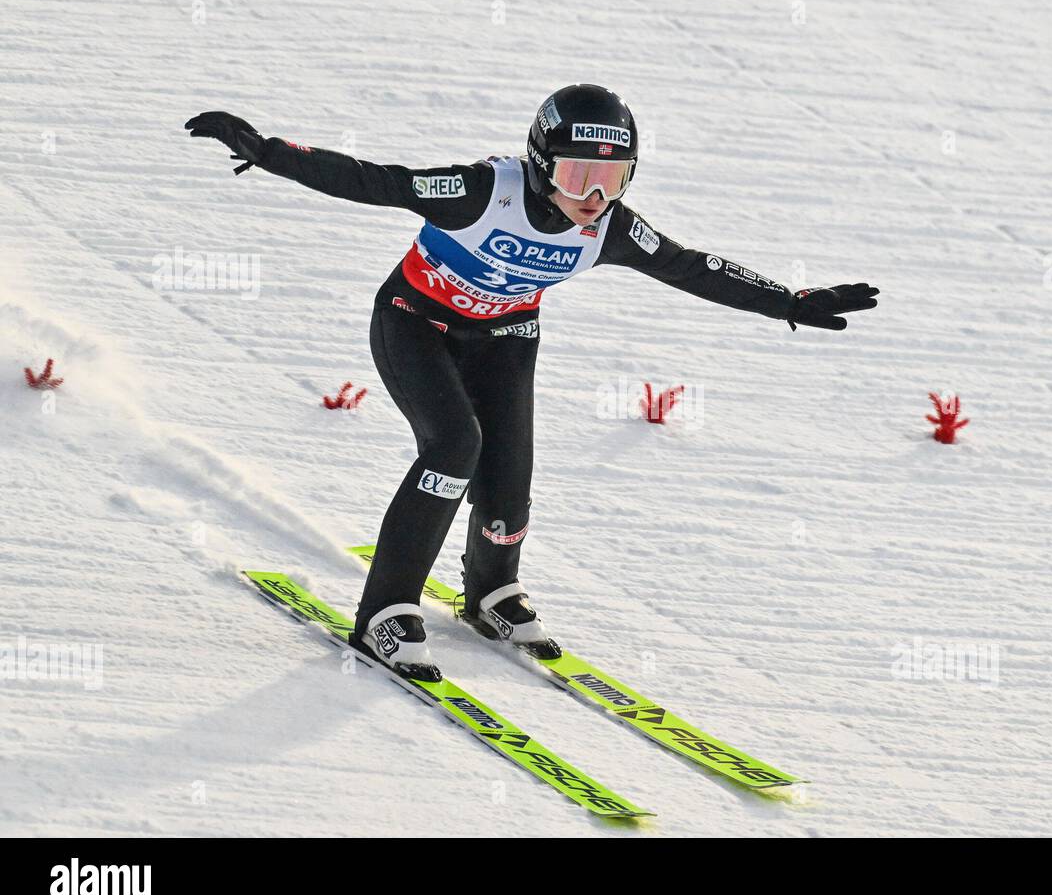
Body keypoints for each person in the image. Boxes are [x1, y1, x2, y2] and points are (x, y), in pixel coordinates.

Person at [185, 84, 879, 678]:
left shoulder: (609, 229)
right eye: (578, 177)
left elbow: (689, 265)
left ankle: (493, 591)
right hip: (414, 325)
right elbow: (380, 181)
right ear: (542, 165)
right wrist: (269, 151)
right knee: (454, 447)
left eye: (614, 178)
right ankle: (384, 614)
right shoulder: (485, 191)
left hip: (507, 340)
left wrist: (788, 300)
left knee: (509, 472)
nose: (594, 197)